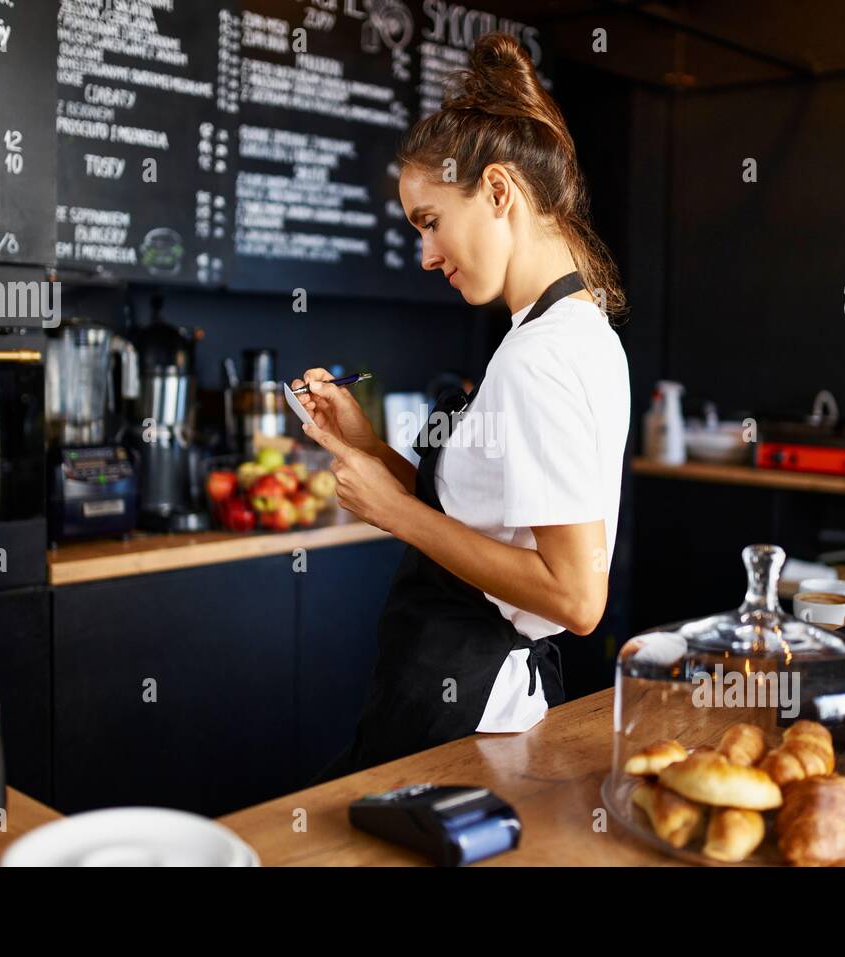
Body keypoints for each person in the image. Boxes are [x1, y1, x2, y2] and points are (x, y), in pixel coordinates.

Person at [294, 32, 630, 782]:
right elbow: (483, 517)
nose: (427, 255)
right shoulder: (569, 330)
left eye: (430, 221)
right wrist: (369, 448)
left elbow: (577, 597)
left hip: (470, 713)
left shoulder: (540, 358)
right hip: (454, 699)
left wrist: (392, 511)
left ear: (500, 193)